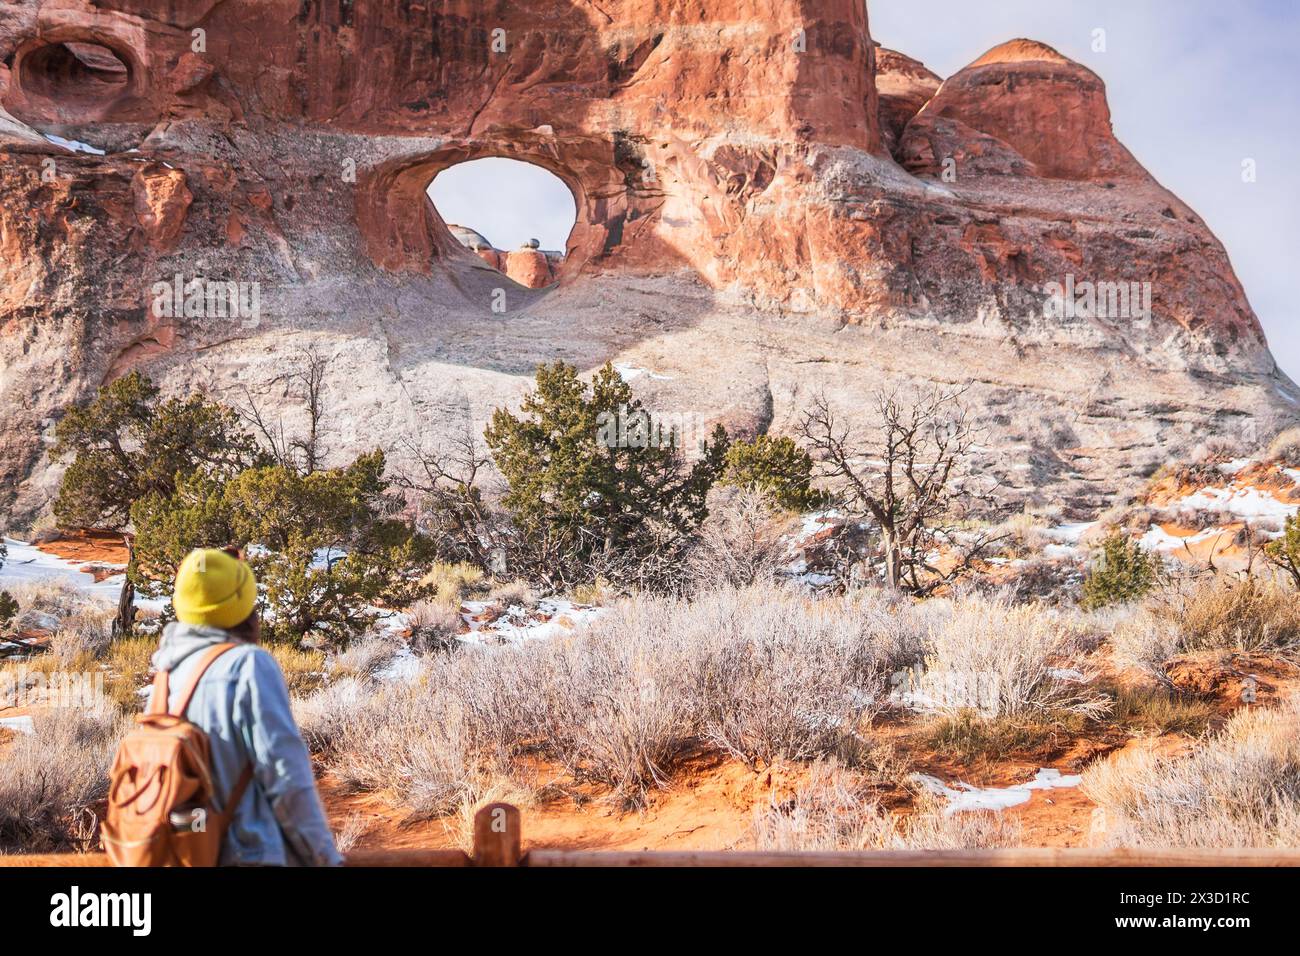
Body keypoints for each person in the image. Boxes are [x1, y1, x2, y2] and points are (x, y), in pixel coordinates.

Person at [151, 547, 343, 866]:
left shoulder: (166, 673)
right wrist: (325, 857)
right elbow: (286, 777)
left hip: (183, 854)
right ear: (240, 607)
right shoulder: (248, 666)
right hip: (246, 854)